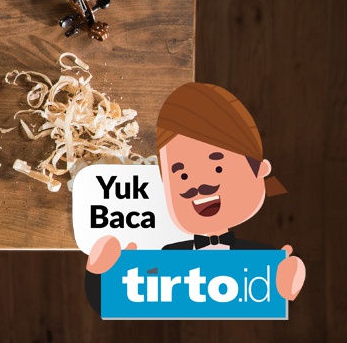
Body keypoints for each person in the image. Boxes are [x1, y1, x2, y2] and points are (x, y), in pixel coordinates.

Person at [84, 82, 305, 311]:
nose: (199, 187)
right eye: (182, 175)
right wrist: (103, 273)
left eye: (218, 168)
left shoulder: (261, 263)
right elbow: (117, 298)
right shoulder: (169, 253)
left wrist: (283, 281)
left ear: (259, 169)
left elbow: (126, 301)